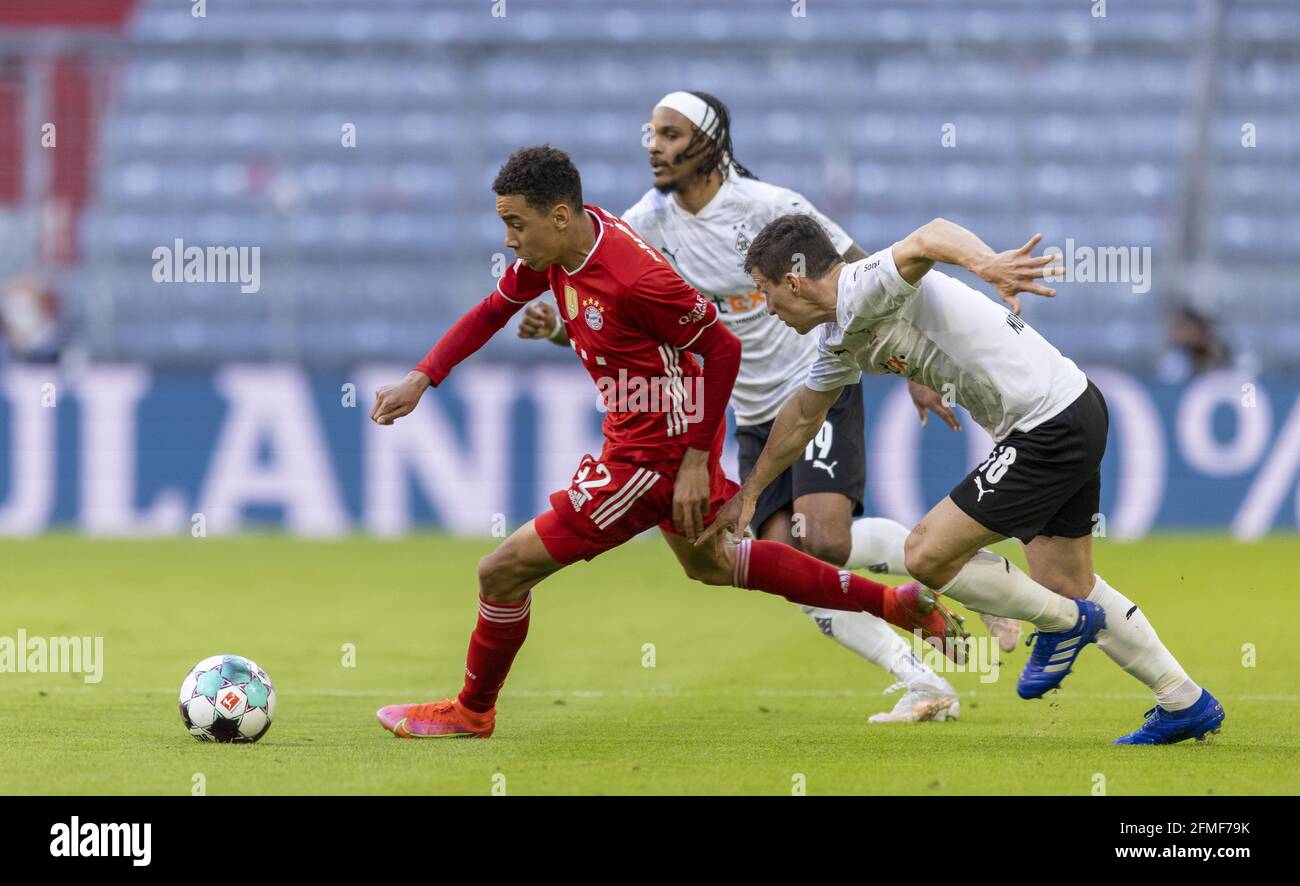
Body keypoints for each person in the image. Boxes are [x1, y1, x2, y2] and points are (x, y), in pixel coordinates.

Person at [368, 145, 960, 739]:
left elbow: (722, 348)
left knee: (500, 571)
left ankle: (473, 711)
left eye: (515, 223)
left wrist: (697, 460)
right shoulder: (560, 251)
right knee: (714, 561)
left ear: (558, 217)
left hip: (648, 459)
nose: (508, 239)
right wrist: (424, 376)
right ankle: (894, 604)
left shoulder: (632, 276)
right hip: (647, 444)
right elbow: (493, 312)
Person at [516, 91, 1008, 724]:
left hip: (816, 386)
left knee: (821, 541)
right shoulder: (646, 224)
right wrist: (559, 327)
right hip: (750, 412)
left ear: (711, 142)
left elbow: (867, 270)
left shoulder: (773, 208)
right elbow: (610, 304)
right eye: (651, 135)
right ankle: (921, 678)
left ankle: (955, 562)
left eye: (670, 134)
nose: (654, 147)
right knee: (789, 565)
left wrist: (915, 364)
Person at [701, 213, 1225, 745]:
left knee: (927, 554)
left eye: (765, 292)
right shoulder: (839, 339)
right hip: (1070, 406)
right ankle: (1183, 700)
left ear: (794, 282)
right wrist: (750, 494)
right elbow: (803, 416)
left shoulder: (861, 286)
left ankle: (1067, 622)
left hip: (1047, 423)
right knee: (1067, 582)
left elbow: (930, 235)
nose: (765, 308)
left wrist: (989, 264)